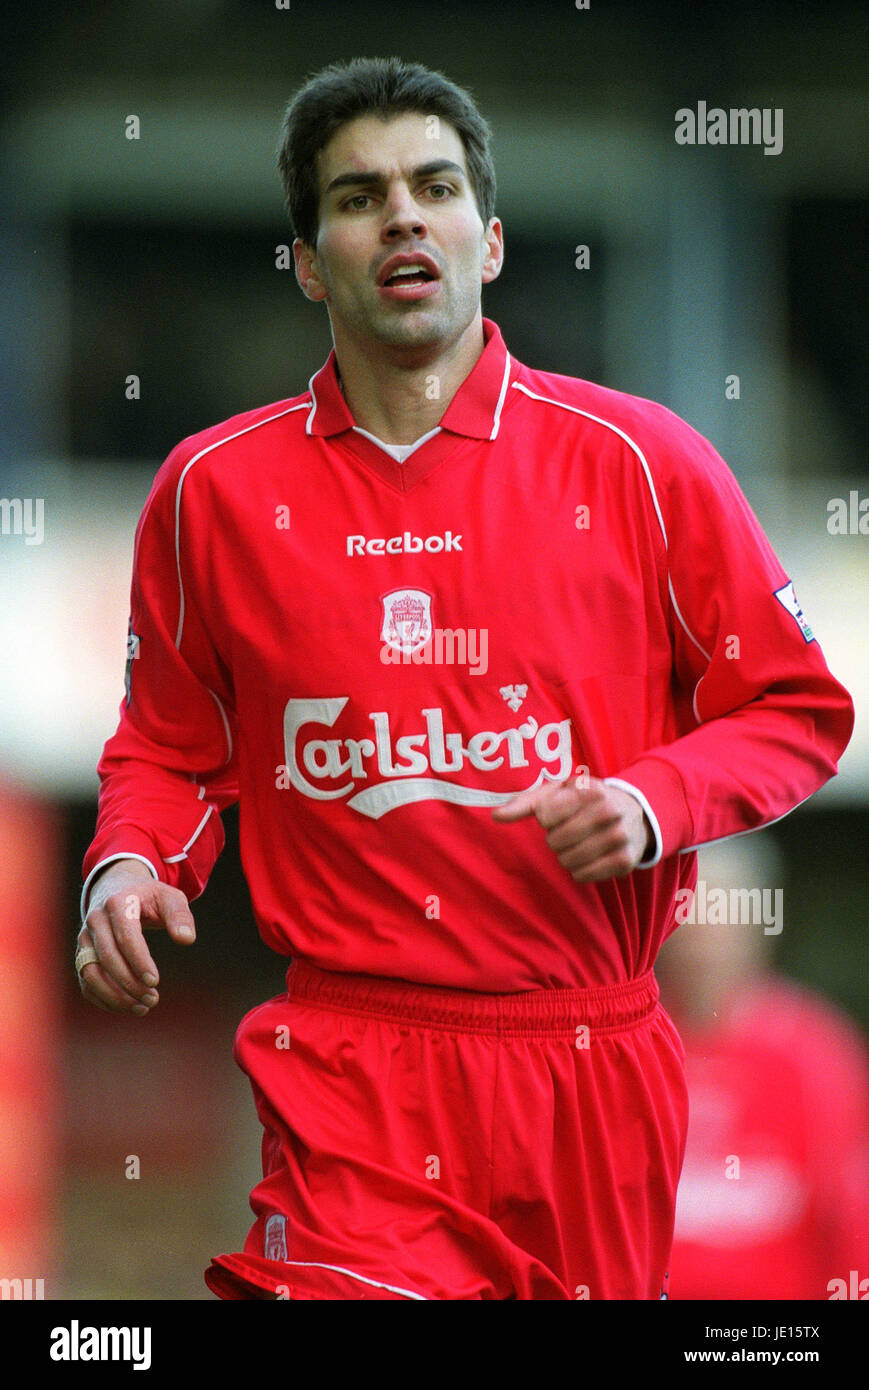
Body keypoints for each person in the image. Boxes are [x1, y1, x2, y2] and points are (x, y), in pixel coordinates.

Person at [76, 56, 854, 1301]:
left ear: (485, 243)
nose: (400, 215)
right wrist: (129, 860)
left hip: (587, 1059)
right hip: (351, 1062)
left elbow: (796, 708)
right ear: (307, 261)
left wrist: (654, 800)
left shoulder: (643, 463)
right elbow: (169, 746)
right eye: (357, 195)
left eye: (433, 187)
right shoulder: (211, 491)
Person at [656, 838, 869, 1300]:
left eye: (721, 914)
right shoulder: (626, 1050)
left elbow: (851, 1222)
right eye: (688, 912)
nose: (701, 934)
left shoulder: (815, 1052)